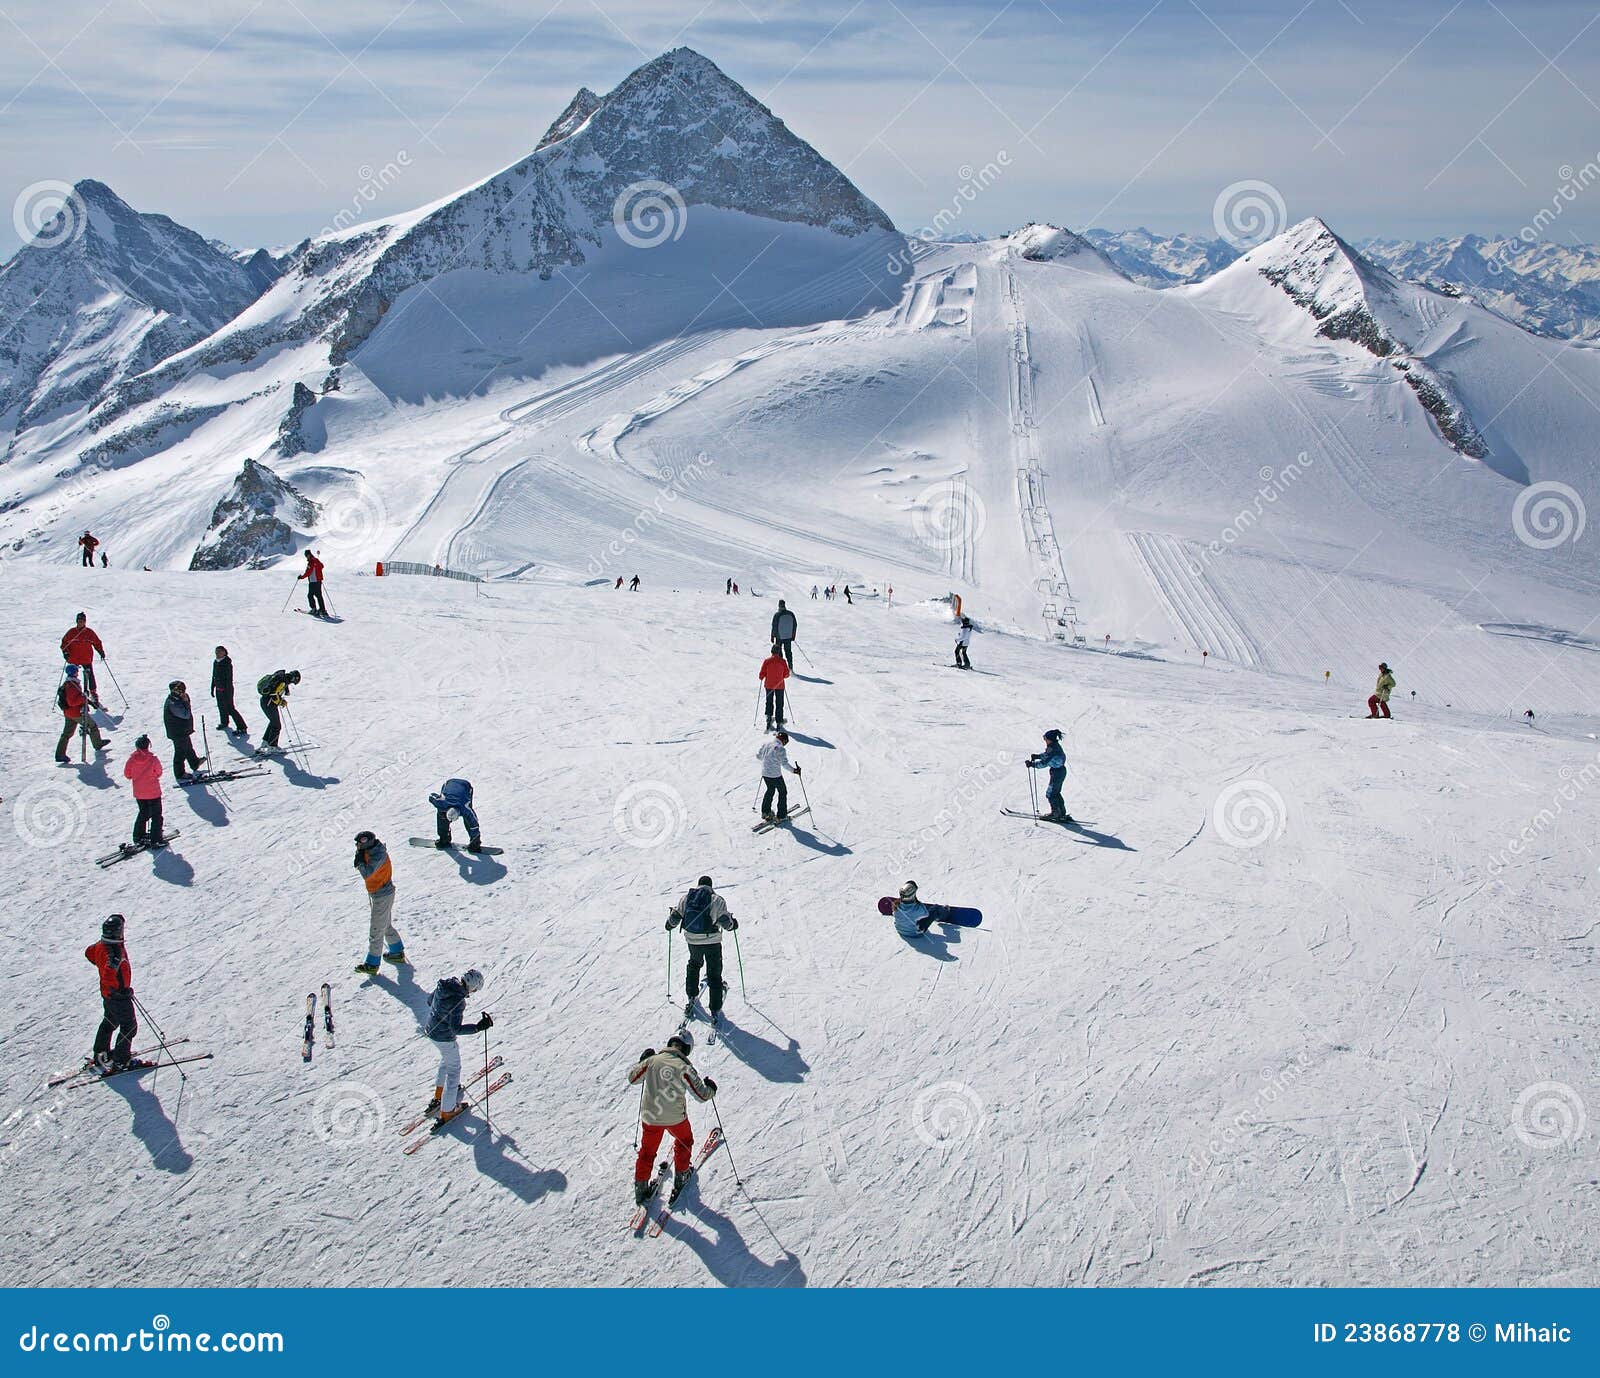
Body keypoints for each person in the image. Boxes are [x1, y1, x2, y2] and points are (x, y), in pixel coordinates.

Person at [628, 1032, 717, 1206]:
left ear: (670, 1044)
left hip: (651, 1117)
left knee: (647, 1151)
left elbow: (632, 1078)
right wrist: (711, 1089)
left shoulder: (652, 1061)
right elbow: (702, 1095)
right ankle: (681, 1175)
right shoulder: (685, 1068)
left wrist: (641, 1061)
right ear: (687, 1050)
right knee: (684, 1141)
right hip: (675, 1118)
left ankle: (641, 1188)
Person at [666, 876, 738, 1025]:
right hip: (712, 942)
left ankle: (691, 995)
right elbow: (726, 923)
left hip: (692, 940)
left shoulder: (687, 898)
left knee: (694, 964)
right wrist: (734, 924)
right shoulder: (717, 900)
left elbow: (675, 917)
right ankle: (715, 1008)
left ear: (699, 885)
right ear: (711, 886)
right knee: (714, 974)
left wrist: (669, 925)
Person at [424, 969, 492, 1125]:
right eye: (475, 990)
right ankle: (447, 1110)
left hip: (431, 1030)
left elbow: (429, 1001)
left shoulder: (444, 985)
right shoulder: (458, 1001)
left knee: (447, 1059)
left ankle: (440, 1094)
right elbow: (456, 1029)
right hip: (444, 1037)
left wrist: (441, 1014)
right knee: (454, 1071)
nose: (473, 993)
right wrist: (477, 1027)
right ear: (472, 987)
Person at [85, 915, 136, 1072]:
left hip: (107, 995)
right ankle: (121, 1061)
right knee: (129, 1026)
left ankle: (101, 1054)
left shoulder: (102, 945)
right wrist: (119, 991)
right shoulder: (114, 953)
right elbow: (109, 974)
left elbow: (89, 953)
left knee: (110, 1021)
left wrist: (100, 963)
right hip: (118, 997)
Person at [353, 831, 405, 974]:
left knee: (376, 931)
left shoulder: (377, 855)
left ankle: (372, 964)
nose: (357, 846)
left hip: (381, 895)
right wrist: (361, 857)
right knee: (385, 925)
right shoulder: (372, 851)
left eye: (359, 843)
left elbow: (367, 874)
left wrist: (360, 863)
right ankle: (396, 952)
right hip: (382, 893)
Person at [55, 665, 107, 762]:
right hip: (76, 713)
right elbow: (72, 702)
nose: (78, 673)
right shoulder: (71, 686)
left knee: (66, 733)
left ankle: (60, 754)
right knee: (92, 725)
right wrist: (84, 697)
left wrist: (87, 700)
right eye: (76, 671)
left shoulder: (69, 683)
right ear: (73, 672)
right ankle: (97, 744)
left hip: (69, 713)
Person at [122, 734, 164, 846]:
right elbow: (159, 772)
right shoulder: (153, 759)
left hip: (139, 793)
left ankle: (138, 835)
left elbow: (127, 774)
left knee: (143, 813)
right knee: (156, 815)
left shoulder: (131, 760)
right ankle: (156, 839)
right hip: (153, 793)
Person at [60, 612, 105, 703]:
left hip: (86, 658)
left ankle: (93, 692)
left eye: (83, 621)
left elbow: (97, 642)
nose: (81, 622)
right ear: (77, 621)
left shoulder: (89, 632)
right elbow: (64, 643)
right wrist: (65, 652)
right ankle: (71, 692)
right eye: (79, 621)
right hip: (73, 658)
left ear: (85, 622)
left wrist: (101, 651)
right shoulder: (71, 632)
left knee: (90, 675)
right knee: (71, 675)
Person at [1027, 728, 1070, 824]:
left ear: (1050, 739)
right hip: (1060, 771)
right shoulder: (1054, 746)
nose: (1044, 740)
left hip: (1057, 773)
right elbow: (1047, 755)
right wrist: (1038, 756)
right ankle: (1061, 813)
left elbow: (1044, 763)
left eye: (1045, 738)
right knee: (1056, 793)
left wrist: (1032, 764)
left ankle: (1055, 814)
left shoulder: (1052, 749)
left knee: (1050, 793)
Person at [757, 729, 801, 822]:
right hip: (775, 775)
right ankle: (781, 815)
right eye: (786, 743)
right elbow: (784, 764)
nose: (785, 745)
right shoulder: (780, 748)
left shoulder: (766, 744)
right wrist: (794, 770)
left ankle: (765, 812)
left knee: (770, 790)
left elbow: (759, 756)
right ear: (784, 740)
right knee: (782, 792)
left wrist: (767, 760)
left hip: (765, 774)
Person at [163, 680, 203, 780]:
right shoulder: (173, 703)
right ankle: (179, 773)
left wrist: (185, 700)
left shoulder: (178, 698)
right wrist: (186, 702)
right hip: (177, 732)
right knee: (180, 752)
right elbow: (185, 714)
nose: (184, 693)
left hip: (182, 730)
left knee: (188, 747)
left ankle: (194, 763)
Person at [428, 778, 483, 851]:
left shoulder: (465, 809)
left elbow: (474, 824)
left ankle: (475, 842)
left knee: (469, 820)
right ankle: (444, 838)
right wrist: (438, 798)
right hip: (449, 784)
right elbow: (431, 796)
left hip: (465, 786)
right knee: (441, 815)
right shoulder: (441, 803)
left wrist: (476, 838)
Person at [256, 669, 300, 752]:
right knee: (277, 726)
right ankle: (272, 746)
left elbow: (276, 691)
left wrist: (283, 696)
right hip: (269, 704)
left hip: (265, 702)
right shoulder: (283, 681)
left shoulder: (282, 677)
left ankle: (265, 743)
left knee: (273, 723)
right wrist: (281, 702)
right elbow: (274, 695)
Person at [211, 646, 248, 734]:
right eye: (216, 652)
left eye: (219, 652)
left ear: (224, 652)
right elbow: (214, 676)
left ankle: (242, 727)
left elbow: (228, 679)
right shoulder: (216, 662)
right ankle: (224, 722)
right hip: (218, 689)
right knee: (221, 707)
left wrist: (225, 690)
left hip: (227, 690)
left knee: (230, 708)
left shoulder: (227, 663)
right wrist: (212, 687)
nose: (217, 654)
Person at [759, 643, 790, 730]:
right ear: (779, 652)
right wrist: (782, 676)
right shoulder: (783, 661)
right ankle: (779, 721)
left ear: (771, 651)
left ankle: (769, 718)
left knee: (769, 701)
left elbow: (761, 674)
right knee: (779, 703)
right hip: (780, 685)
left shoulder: (767, 661)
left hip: (769, 685)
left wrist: (762, 677)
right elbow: (787, 674)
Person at [299, 550, 327, 617]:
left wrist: (302, 577)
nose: (306, 557)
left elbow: (308, 572)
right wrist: (317, 571)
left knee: (310, 595)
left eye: (306, 555)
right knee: (319, 595)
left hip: (313, 581)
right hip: (319, 581)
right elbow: (322, 566)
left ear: (308, 555)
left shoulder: (311, 562)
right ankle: (322, 610)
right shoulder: (316, 560)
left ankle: (314, 609)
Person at [770, 600, 798, 669]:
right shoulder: (791, 614)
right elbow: (795, 625)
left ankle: (781, 667)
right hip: (788, 637)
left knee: (779, 651)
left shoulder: (777, 615)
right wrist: (793, 635)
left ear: (779, 605)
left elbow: (774, 626)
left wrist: (772, 636)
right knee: (788, 651)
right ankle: (790, 667)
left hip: (779, 637)